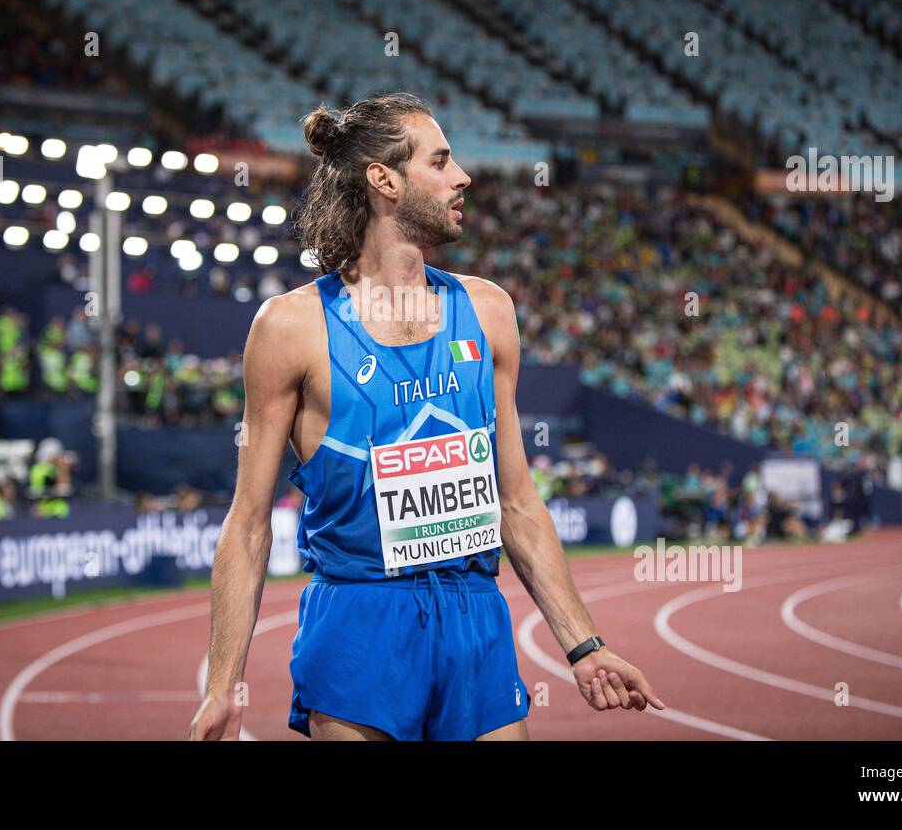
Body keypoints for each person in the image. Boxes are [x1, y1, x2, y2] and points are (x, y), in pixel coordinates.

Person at [190, 92, 664, 742]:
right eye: (440, 160)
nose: (463, 176)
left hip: (477, 622)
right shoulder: (291, 329)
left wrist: (584, 648)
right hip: (361, 625)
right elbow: (247, 524)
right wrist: (222, 687)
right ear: (383, 180)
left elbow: (517, 503)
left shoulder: (489, 311)